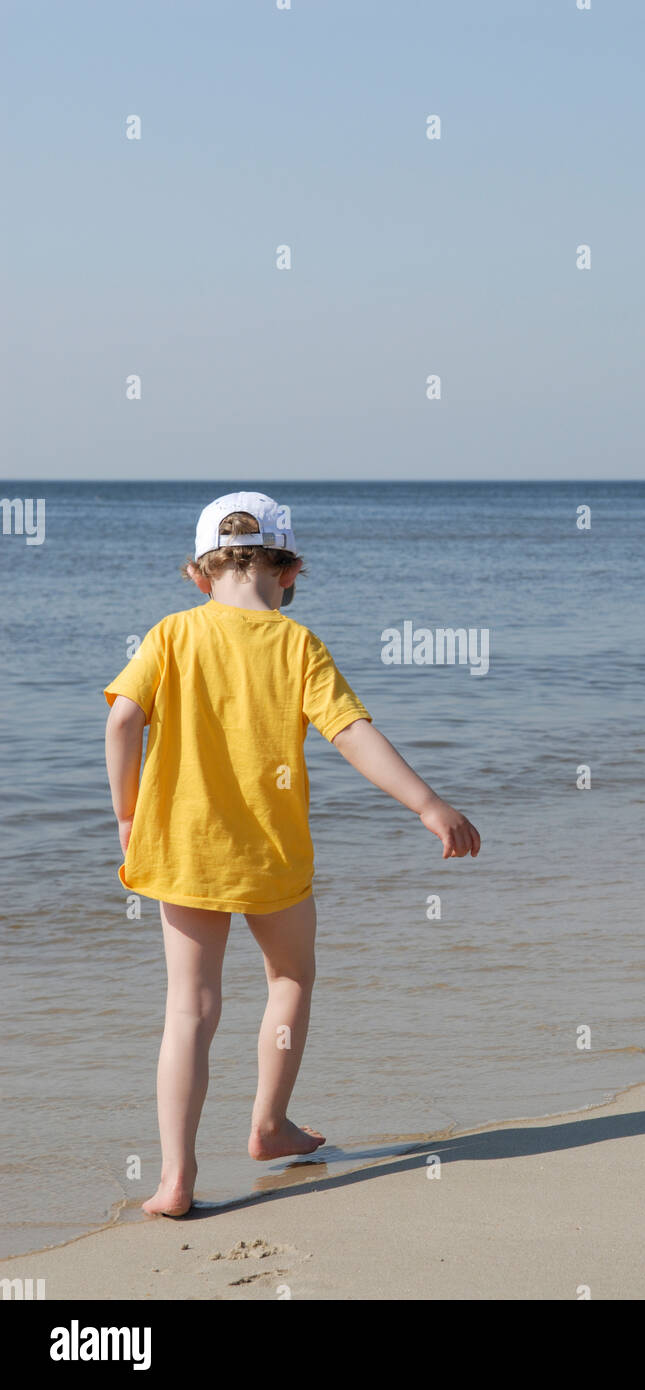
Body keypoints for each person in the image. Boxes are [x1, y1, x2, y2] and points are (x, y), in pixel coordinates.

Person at [104, 491, 481, 1217]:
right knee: (291, 977)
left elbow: (123, 721)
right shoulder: (297, 643)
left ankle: (175, 1181)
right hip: (272, 855)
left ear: (198, 573)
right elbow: (352, 734)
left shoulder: (171, 635)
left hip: (184, 848)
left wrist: (127, 813)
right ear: (291, 568)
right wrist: (429, 804)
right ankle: (270, 1125)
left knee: (190, 1008)